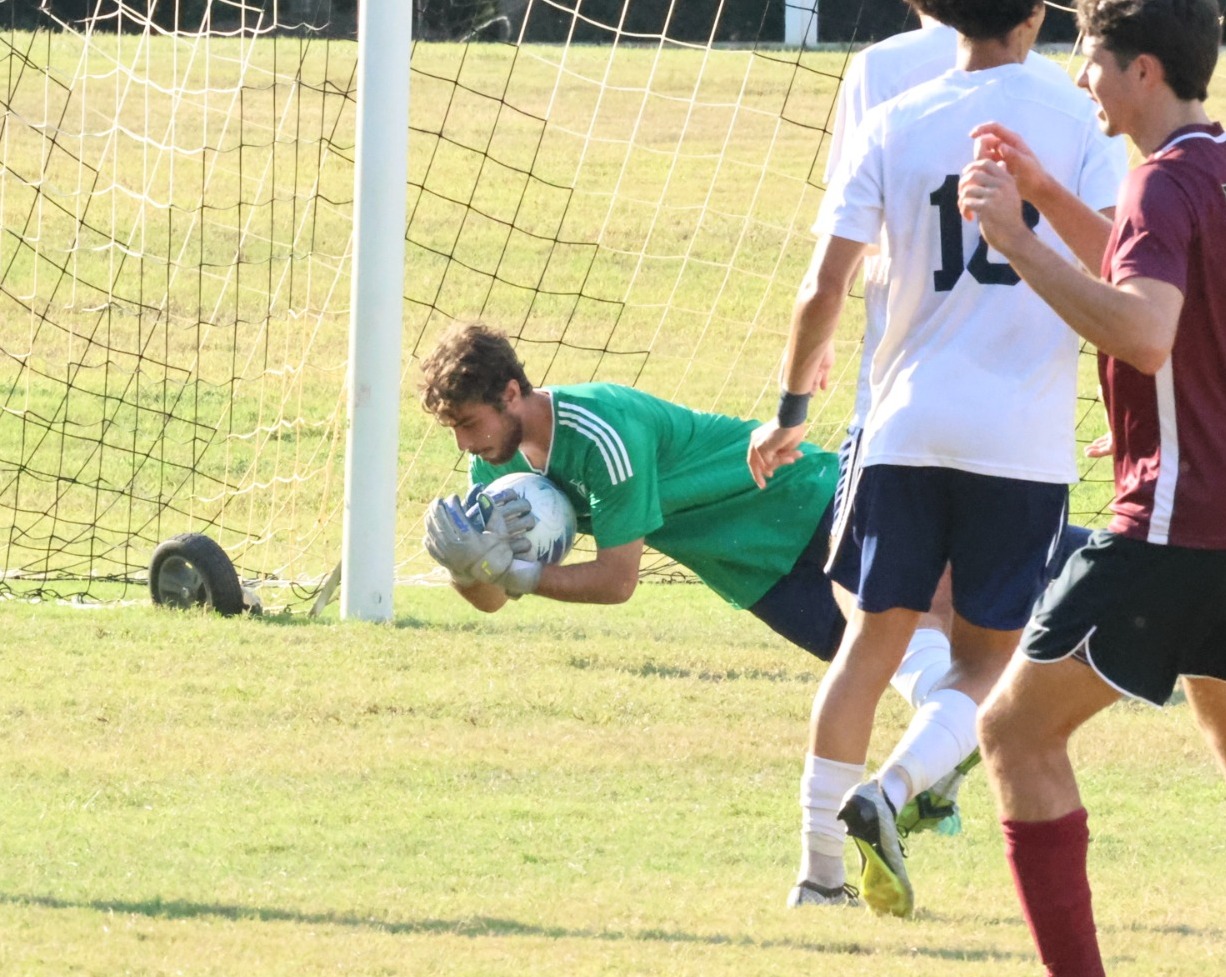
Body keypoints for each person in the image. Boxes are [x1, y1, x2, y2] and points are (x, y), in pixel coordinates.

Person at [748, 0, 1125, 918]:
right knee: (986, 660)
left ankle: (817, 872)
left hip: (904, 425)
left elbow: (824, 286)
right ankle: (892, 788)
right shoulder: (1076, 116)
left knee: (868, 645)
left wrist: (793, 407)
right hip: (1020, 439)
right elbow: (1117, 263)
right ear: (1037, 16)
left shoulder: (893, 115)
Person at [958, 1, 1226, 973]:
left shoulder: (1161, 183)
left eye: (1092, 60)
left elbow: (1144, 328)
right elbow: (1139, 256)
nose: (1082, 79)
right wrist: (1039, 194)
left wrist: (1014, 239)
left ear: (1142, 71)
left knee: (1013, 731)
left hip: (1169, 528)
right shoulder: (1208, 170)